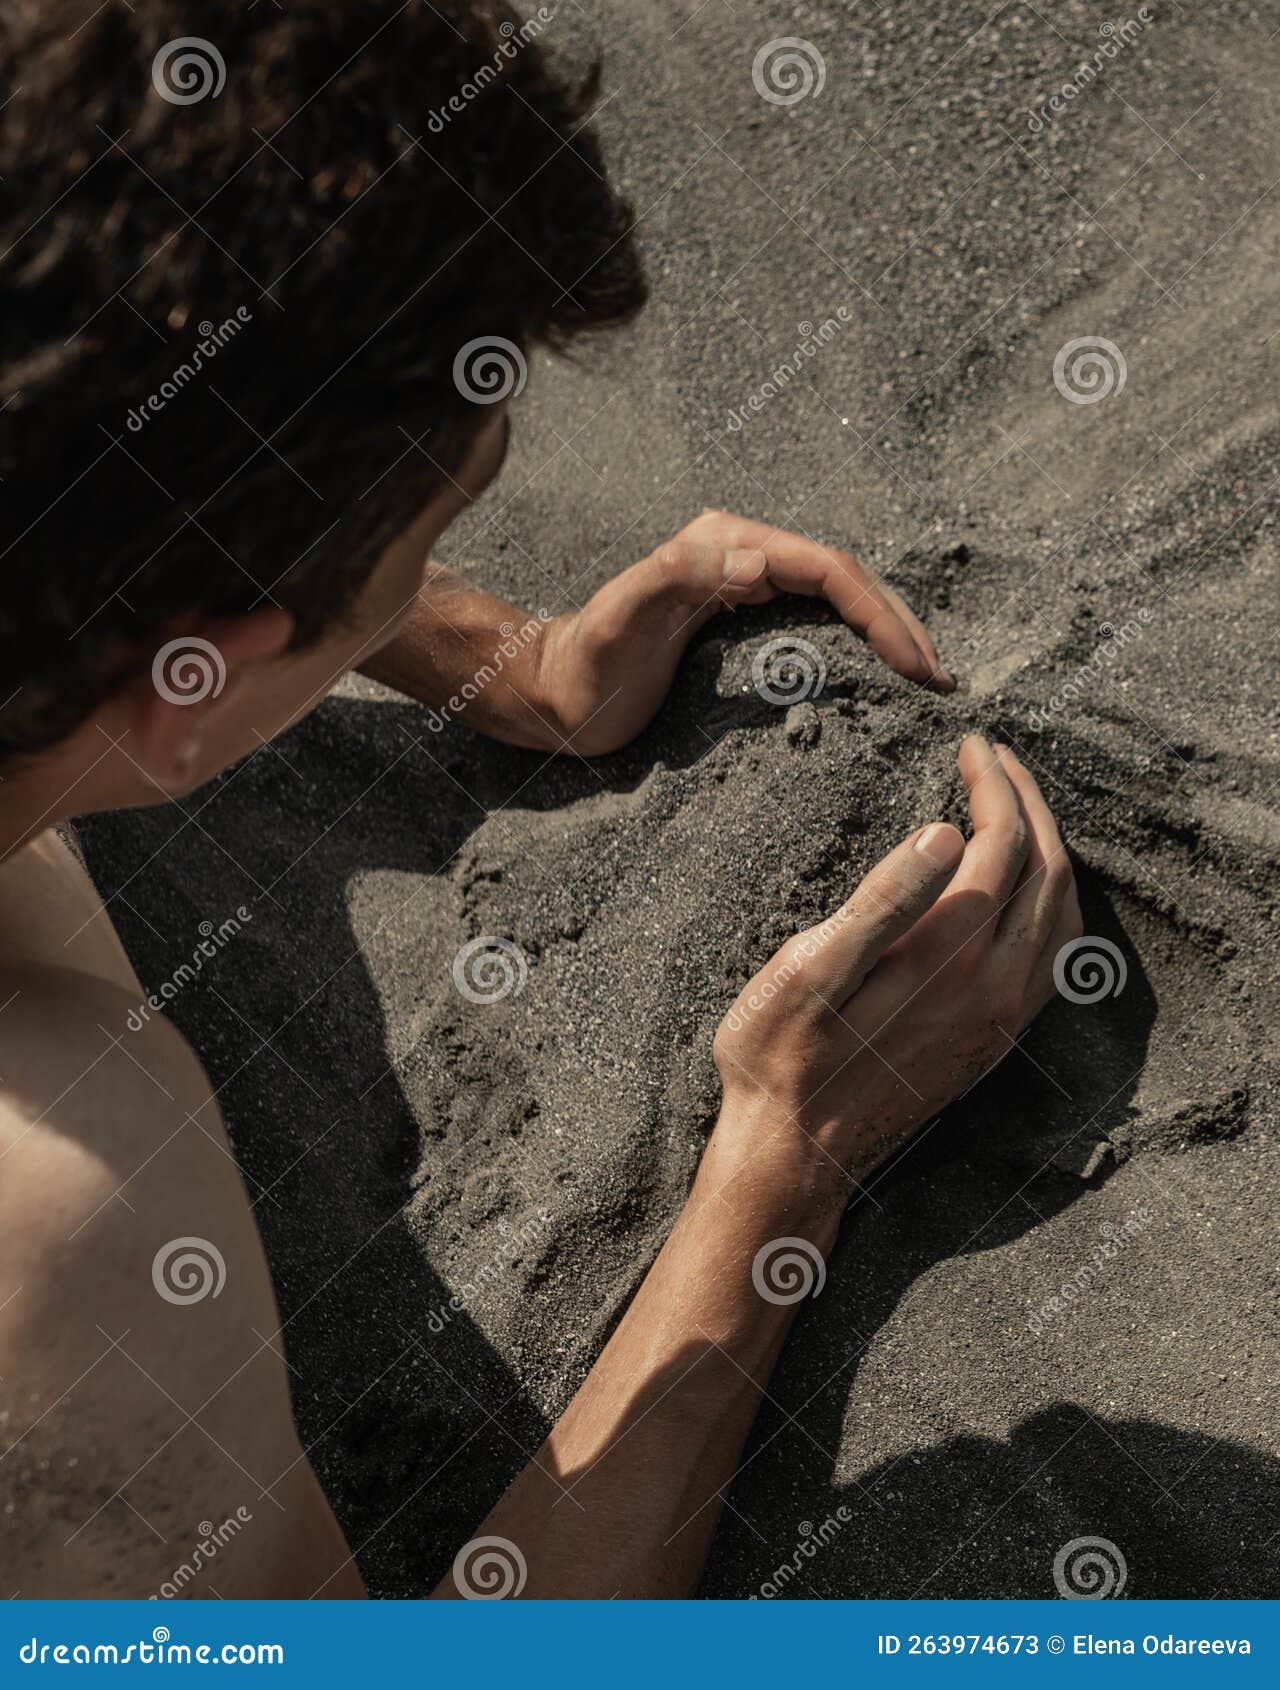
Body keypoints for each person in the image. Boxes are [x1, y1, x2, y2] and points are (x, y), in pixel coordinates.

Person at [0, 1, 1081, 1597]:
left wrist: (502, 658)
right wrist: (788, 1156)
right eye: (434, 523)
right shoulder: (58, 1219)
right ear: (197, 674)